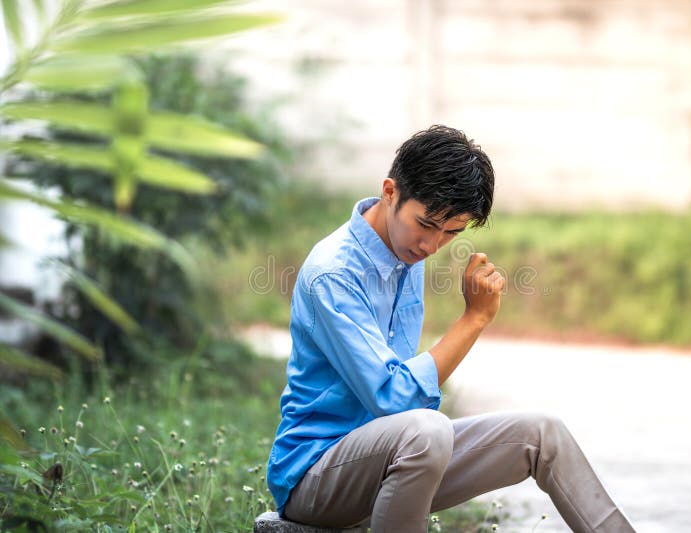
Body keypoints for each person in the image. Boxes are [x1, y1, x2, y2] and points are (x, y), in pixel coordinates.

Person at [266, 125, 635, 532]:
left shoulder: (404, 253)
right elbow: (393, 398)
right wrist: (474, 319)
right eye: (425, 224)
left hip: (394, 460)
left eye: (452, 232)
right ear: (390, 192)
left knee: (542, 433)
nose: (431, 245)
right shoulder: (334, 274)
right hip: (317, 478)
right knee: (427, 429)